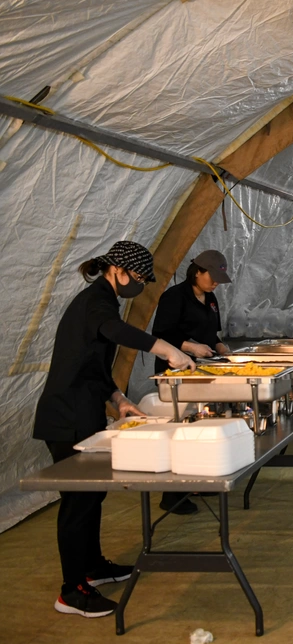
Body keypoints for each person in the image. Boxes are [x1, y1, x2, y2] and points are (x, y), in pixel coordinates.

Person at [33, 241, 196, 618]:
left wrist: (118, 398)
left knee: (94, 496)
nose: (137, 286)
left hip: (83, 411)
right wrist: (167, 349)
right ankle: (71, 591)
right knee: (78, 502)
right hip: (65, 417)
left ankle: (92, 567)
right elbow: (116, 331)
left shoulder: (104, 302)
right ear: (116, 270)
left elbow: (91, 365)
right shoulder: (96, 303)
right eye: (137, 278)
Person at [151, 249, 233, 515]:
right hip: (176, 373)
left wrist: (221, 347)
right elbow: (160, 335)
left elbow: (212, 332)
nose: (216, 283)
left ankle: (197, 479)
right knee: (181, 428)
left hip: (204, 372)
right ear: (197, 272)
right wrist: (189, 347)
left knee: (203, 425)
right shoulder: (174, 297)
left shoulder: (210, 298)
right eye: (212, 277)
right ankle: (172, 494)